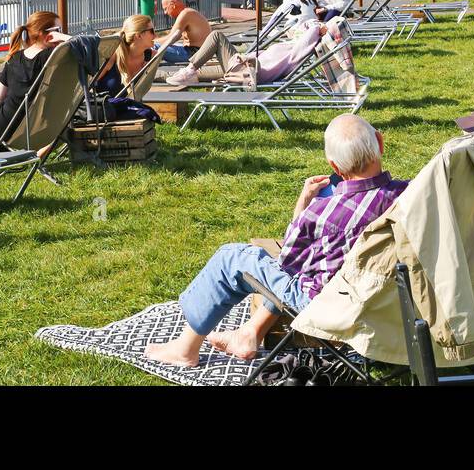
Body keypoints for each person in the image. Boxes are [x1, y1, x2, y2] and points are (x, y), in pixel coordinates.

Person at [145, 114, 407, 366]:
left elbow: (288, 262)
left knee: (232, 257)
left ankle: (185, 349)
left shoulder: (322, 213)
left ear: (335, 167)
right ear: (380, 143)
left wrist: (303, 205)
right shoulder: (409, 197)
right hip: (388, 299)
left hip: (328, 302)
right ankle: (250, 334)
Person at [0, 11, 71, 154]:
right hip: (40, 129)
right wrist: (62, 38)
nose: (61, 34)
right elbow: (80, 44)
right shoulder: (54, 58)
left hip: (7, 126)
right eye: (58, 30)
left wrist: (1, 130)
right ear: (42, 33)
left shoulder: (14, 58)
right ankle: (1, 151)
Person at [164, 17, 346, 87]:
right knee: (196, 74)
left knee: (217, 35)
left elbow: (310, 28)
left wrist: (318, 27)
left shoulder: (299, 49)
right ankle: (145, 76)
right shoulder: (295, 43)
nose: (320, 25)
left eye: (324, 27)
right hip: (243, 67)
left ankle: (189, 69)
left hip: (252, 71)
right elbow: (305, 24)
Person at [89, 15, 161, 122]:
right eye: (151, 31)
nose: (155, 35)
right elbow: (87, 85)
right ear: (138, 36)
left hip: (127, 111)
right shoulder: (112, 56)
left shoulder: (151, 57)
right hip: (101, 113)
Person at [158, 0, 212, 65]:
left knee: (154, 47)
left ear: (172, 4)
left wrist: (150, 42)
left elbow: (170, 39)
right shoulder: (188, 13)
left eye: (165, 9)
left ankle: (142, 69)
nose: (165, 13)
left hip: (194, 54)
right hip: (199, 52)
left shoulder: (185, 14)